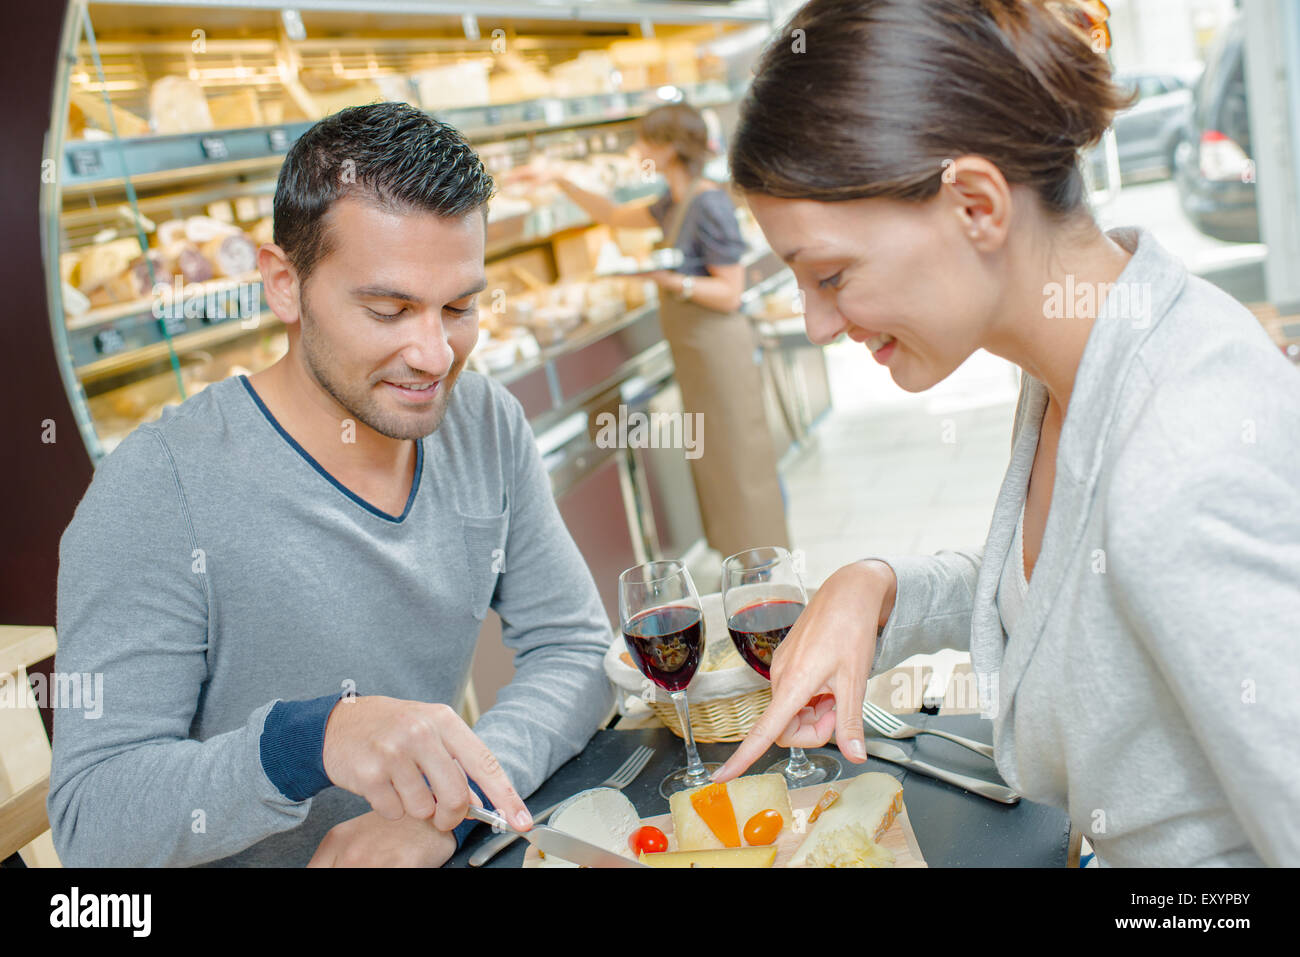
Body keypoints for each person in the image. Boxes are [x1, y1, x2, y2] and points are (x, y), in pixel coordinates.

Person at [713, 0, 1300, 866]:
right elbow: (1067, 589)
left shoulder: (1182, 451)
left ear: (978, 205)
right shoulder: (1086, 348)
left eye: (831, 274)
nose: (816, 324)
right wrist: (875, 589)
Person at [48, 102, 615, 867]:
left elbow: (575, 648)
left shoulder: (482, 420)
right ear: (285, 284)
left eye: (460, 307)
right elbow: (91, 821)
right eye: (389, 309)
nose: (434, 354)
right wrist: (306, 740)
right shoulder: (157, 490)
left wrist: (456, 803)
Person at [514, 102, 791, 560]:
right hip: (696, 351)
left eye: (645, 140)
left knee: (742, 460)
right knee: (717, 462)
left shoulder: (709, 203)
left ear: (668, 149)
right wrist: (559, 180)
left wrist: (668, 280)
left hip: (721, 348)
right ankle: (743, 564)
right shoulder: (673, 202)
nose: (637, 148)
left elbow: (729, 292)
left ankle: (768, 568)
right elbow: (612, 215)